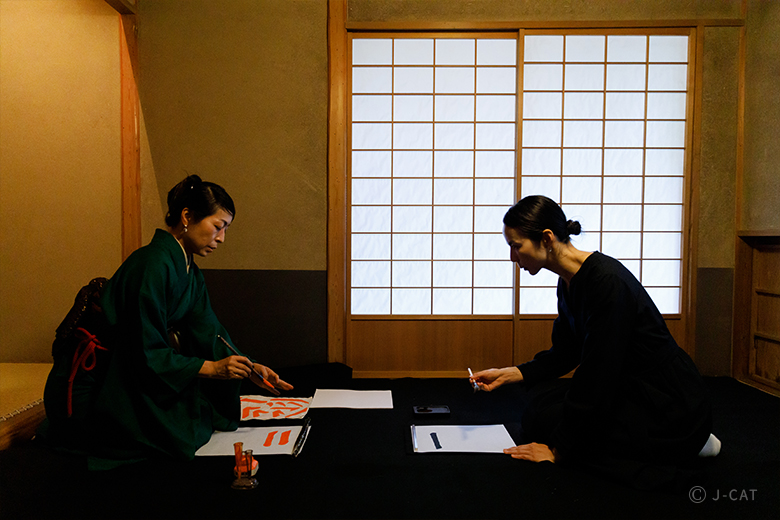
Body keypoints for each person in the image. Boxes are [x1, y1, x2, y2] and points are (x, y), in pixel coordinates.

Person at [40, 175, 292, 470]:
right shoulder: (151, 264)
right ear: (187, 217)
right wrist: (212, 368)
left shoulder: (189, 271)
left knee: (200, 416)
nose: (222, 238)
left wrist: (248, 367)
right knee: (181, 434)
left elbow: (209, 332)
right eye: (218, 226)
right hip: (105, 381)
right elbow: (144, 349)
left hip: (135, 369)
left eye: (226, 229)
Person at [470, 195, 720, 490]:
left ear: (546, 239)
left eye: (515, 245)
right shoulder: (568, 282)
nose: (512, 257)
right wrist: (513, 373)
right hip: (626, 386)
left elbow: (598, 373)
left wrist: (559, 452)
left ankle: (685, 442)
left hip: (667, 400)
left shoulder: (606, 282)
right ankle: (662, 442)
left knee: (556, 425)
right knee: (538, 411)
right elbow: (567, 352)